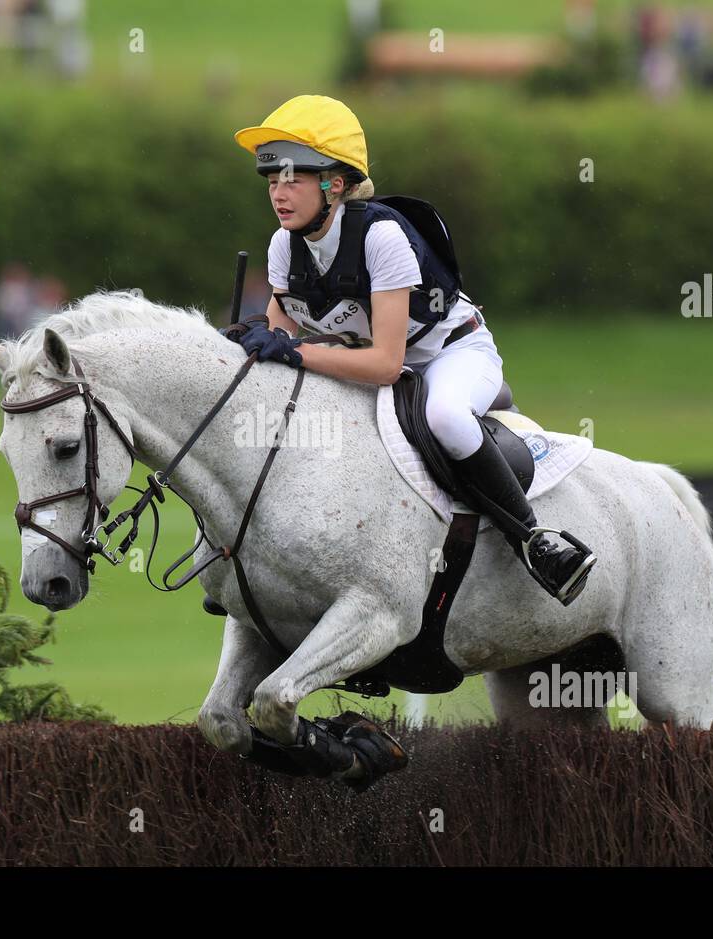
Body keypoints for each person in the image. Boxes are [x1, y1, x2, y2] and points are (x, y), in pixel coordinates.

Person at [223, 94, 595, 605]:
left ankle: (536, 541)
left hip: (450, 355)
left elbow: (385, 364)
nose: (278, 194)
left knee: (444, 415)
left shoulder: (383, 237)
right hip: (376, 366)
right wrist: (253, 343)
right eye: (272, 181)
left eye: (292, 179)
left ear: (335, 184)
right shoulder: (283, 246)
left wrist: (293, 353)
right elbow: (281, 338)